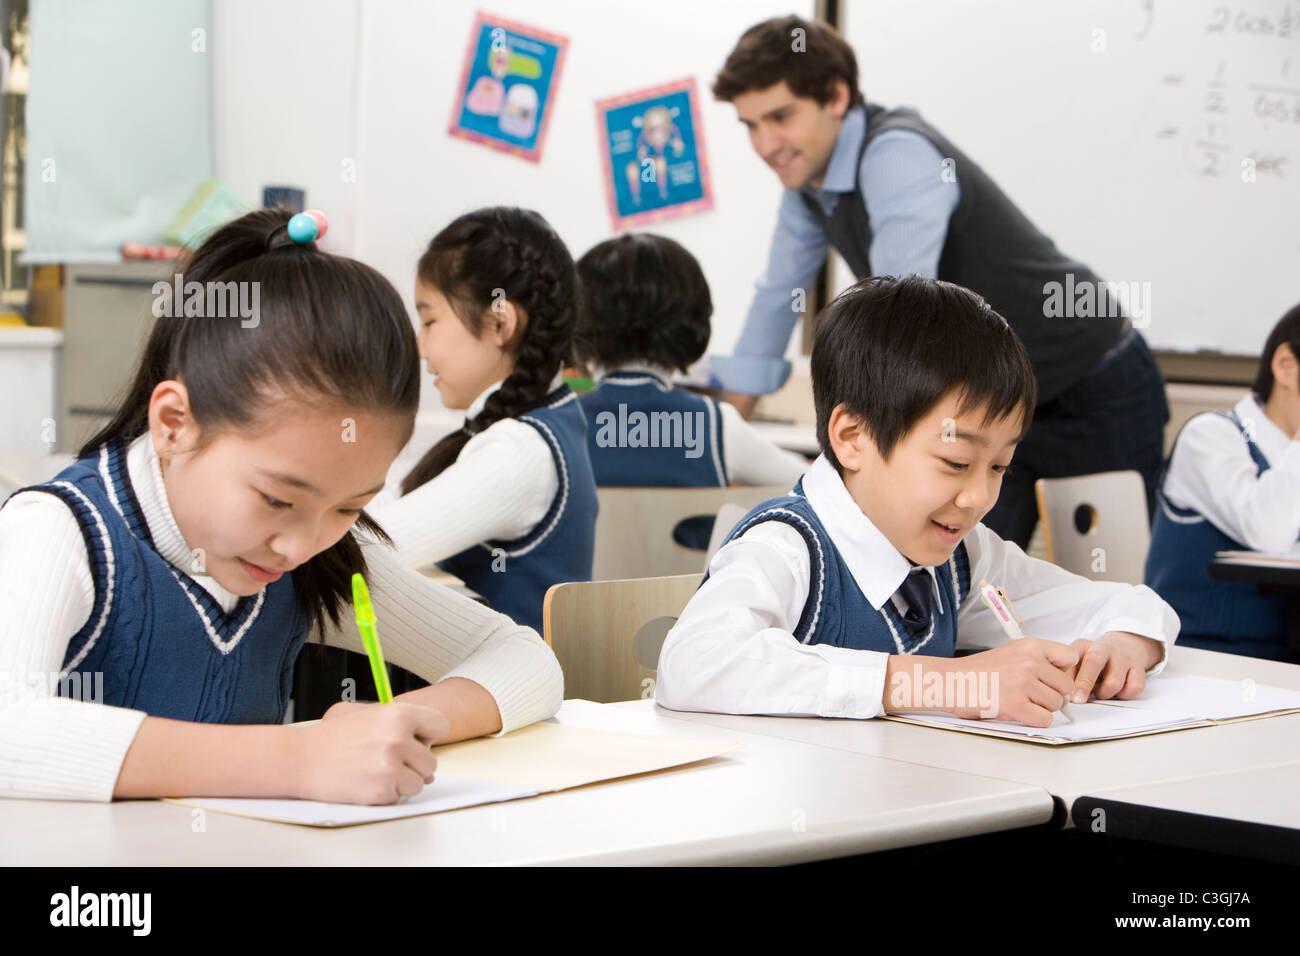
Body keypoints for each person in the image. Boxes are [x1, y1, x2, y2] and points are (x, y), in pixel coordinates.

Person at [0, 208, 562, 804]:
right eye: (276, 499)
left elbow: (523, 659)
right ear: (173, 423)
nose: (299, 545)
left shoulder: (315, 558)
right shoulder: (58, 531)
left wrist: (394, 723)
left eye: (348, 507)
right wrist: (296, 759)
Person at [708, 15, 1169, 549]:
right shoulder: (807, 186)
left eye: (780, 117)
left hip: (1093, 384)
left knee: (1114, 573)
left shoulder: (897, 154)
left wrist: (845, 456)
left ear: (835, 96)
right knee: (965, 579)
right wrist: (723, 441)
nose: (766, 144)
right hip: (994, 405)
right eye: (750, 125)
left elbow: (897, 319)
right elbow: (774, 298)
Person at [656, 276, 1179, 726]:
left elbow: (1126, 604)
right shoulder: (787, 550)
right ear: (853, 436)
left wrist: (1125, 646)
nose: (978, 497)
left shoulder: (963, 559)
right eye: (955, 463)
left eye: (999, 467)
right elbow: (692, 666)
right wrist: (946, 684)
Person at [371, 207, 597, 635]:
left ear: (499, 321)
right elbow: (389, 507)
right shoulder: (539, 420)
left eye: (430, 321)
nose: (420, 348)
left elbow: (371, 549)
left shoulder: (519, 452)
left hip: (521, 699)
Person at [575, 233, 807, 548]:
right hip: (691, 597)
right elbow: (818, 486)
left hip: (572, 599)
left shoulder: (560, 426)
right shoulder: (716, 426)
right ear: (692, 324)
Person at [1145, 303, 1300, 661]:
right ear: (1286, 366)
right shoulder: (1211, 436)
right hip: (1212, 654)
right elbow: (1269, 531)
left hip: (1283, 656)